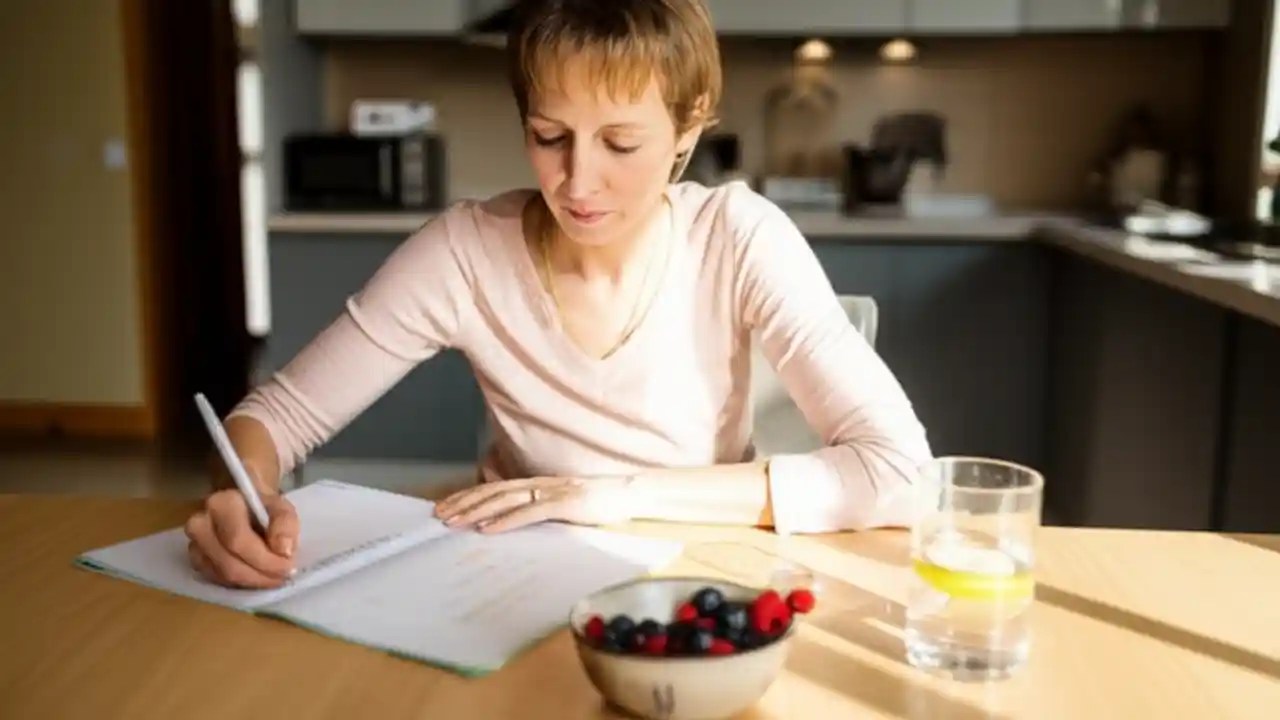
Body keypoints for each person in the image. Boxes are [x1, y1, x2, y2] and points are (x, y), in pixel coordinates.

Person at [184, 0, 932, 590]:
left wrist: (613, 495)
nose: (577, 183)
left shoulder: (738, 238)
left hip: (698, 576)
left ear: (688, 125)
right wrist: (242, 501)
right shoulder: (467, 252)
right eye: (549, 135)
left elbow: (899, 474)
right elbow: (273, 418)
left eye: (620, 143)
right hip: (512, 585)